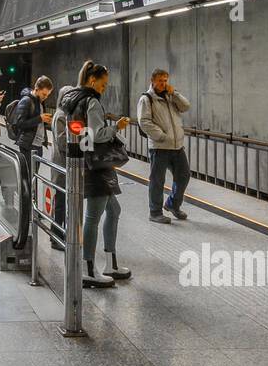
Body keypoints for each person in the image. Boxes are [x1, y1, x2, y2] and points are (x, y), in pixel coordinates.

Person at [60, 61, 132, 286]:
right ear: (93, 80)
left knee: (113, 210)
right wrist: (116, 127)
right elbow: (97, 133)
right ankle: (88, 269)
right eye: (103, 84)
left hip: (84, 158)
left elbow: (81, 133)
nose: (104, 88)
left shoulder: (73, 99)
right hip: (96, 164)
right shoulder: (91, 101)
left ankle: (110, 262)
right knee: (93, 217)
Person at [137, 68, 192, 223]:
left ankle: (173, 204)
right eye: (160, 81)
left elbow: (186, 106)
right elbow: (144, 122)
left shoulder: (170, 97)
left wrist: (174, 93)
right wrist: (161, 136)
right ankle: (155, 212)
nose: (163, 84)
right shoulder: (146, 99)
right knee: (157, 181)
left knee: (184, 175)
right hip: (159, 147)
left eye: (165, 80)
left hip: (177, 147)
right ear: (152, 81)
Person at [9, 76, 54, 196]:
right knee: (28, 179)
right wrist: (40, 118)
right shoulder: (26, 101)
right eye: (44, 94)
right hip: (28, 145)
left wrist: (43, 121)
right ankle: (27, 208)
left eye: (47, 95)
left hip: (37, 145)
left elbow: (34, 122)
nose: (45, 97)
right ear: (37, 89)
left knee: (34, 178)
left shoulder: (39, 102)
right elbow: (19, 123)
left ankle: (33, 208)